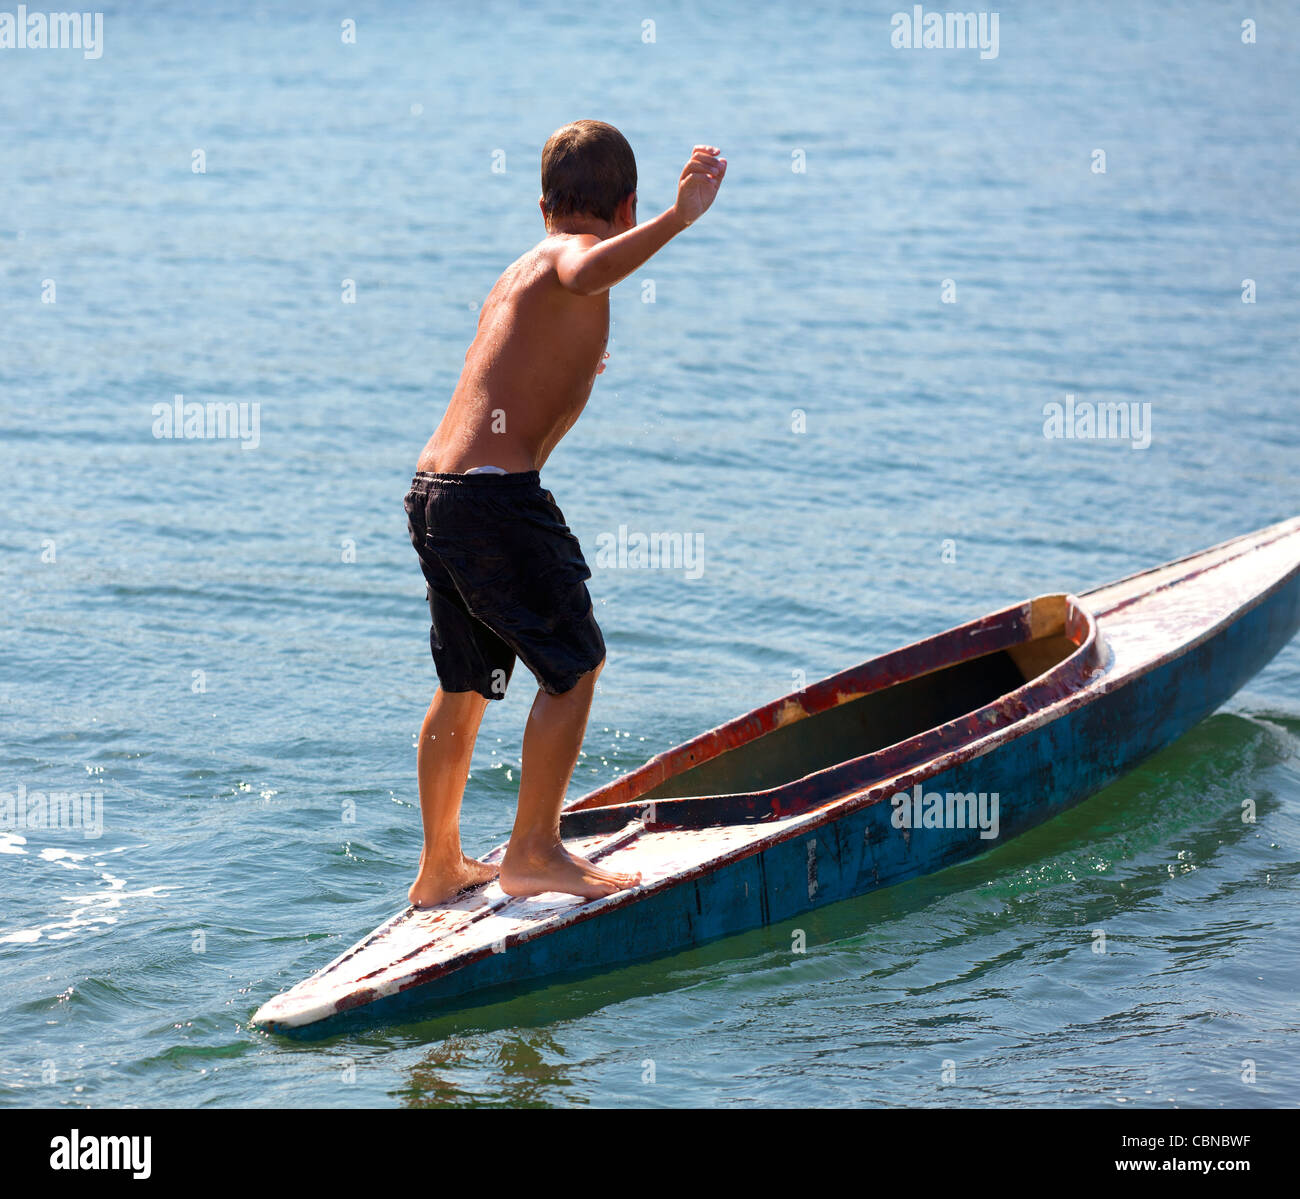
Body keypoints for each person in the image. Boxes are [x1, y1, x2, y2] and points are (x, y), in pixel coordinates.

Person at [402, 120, 726, 905]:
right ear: (626, 205)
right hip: (491, 500)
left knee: (465, 684)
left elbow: (524, 357)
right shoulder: (572, 258)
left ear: (541, 203)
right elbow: (588, 265)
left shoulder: (520, 271)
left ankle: (441, 864)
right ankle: (535, 850)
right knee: (574, 666)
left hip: (434, 492)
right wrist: (679, 220)